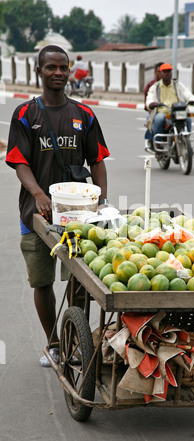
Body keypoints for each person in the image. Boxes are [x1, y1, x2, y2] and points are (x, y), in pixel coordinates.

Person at [5, 45, 110, 367]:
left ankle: (74, 340)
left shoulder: (84, 115)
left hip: (78, 215)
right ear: (38, 71)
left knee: (80, 279)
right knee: (42, 282)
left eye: (63, 67)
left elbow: (98, 161)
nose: (58, 73)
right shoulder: (26, 114)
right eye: (51, 67)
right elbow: (19, 161)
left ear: (69, 71)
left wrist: (100, 201)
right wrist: (38, 194)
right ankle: (53, 344)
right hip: (34, 214)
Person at [146, 63, 194, 142]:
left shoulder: (178, 85)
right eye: (164, 71)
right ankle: (158, 142)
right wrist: (151, 103)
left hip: (177, 112)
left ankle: (186, 142)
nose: (167, 74)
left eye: (169, 71)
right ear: (160, 74)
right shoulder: (155, 87)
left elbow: (187, 94)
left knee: (188, 119)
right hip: (162, 113)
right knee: (159, 119)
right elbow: (150, 98)